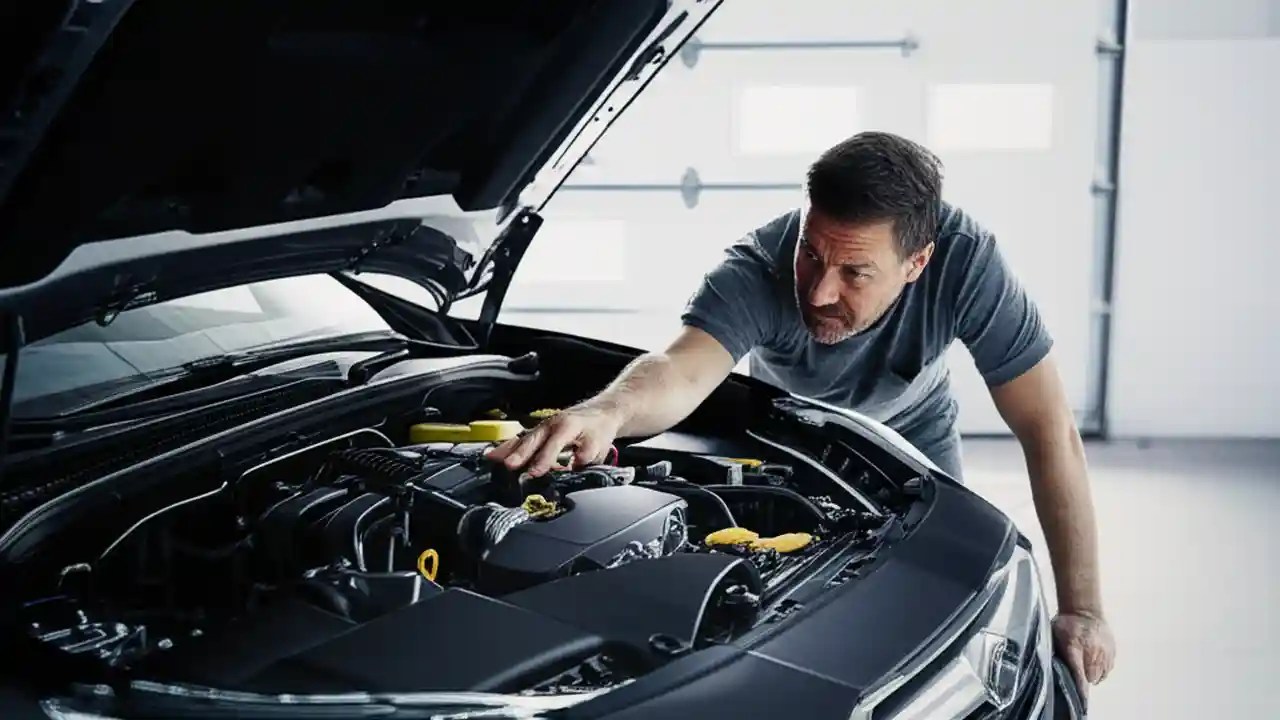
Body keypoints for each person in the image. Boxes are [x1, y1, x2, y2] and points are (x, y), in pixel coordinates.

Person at [486, 130, 1116, 699]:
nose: (818, 291)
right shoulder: (758, 268)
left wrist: (1083, 608)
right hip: (797, 437)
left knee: (934, 599)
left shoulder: (970, 265)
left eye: (855, 272)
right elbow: (680, 370)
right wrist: (604, 412)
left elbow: (1048, 428)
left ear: (918, 262)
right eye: (812, 254)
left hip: (918, 434)